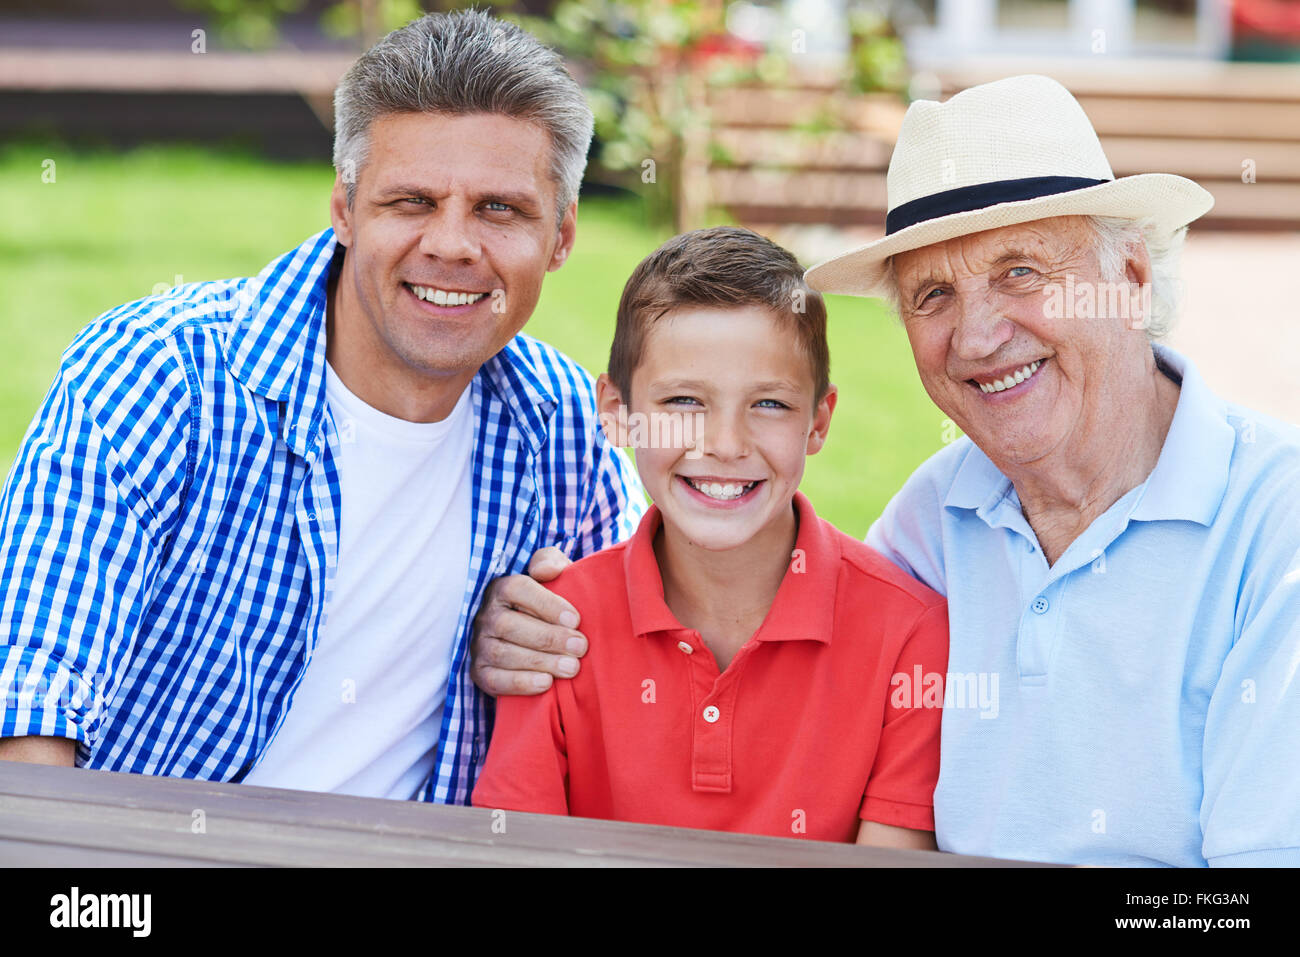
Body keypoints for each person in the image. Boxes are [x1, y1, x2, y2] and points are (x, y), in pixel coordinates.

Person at [470, 75, 1300, 865]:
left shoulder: (1275, 525)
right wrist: (534, 617)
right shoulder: (933, 523)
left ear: (1130, 277)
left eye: (1020, 270)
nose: (976, 338)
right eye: (933, 294)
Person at [0, 10, 645, 806]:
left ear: (562, 236)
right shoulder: (163, 372)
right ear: (343, 209)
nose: (451, 245)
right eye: (411, 201)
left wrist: (545, 649)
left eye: (499, 209)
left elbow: (658, 687)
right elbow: (30, 696)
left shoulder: (568, 434)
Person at [470, 227, 948, 846]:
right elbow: (519, 852)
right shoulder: (557, 627)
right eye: (683, 400)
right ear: (617, 413)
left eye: (769, 404)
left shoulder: (909, 634)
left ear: (818, 421)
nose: (724, 443)